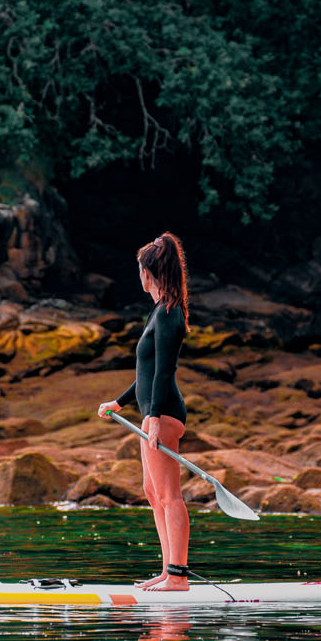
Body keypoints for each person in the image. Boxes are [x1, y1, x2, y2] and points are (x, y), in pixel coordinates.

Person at [97, 232, 190, 591]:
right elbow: (146, 373)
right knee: (152, 493)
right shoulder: (158, 311)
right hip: (151, 413)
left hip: (164, 414)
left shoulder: (169, 314)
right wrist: (120, 403)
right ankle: (168, 571)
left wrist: (152, 419)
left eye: (140, 270)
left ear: (149, 273)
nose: (139, 275)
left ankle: (178, 577)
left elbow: (165, 372)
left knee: (169, 496)